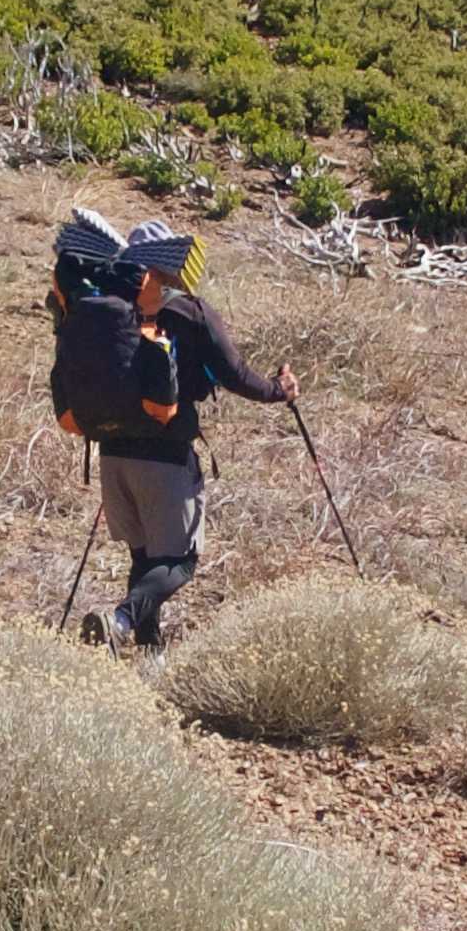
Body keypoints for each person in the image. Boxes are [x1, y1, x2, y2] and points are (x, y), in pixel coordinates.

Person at [84, 220, 292, 649]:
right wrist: (280, 391)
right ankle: (121, 622)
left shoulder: (106, 308)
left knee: (144, 559)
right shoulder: (189, 311)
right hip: (165, 455)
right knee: (180, 562)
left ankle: (150, 652)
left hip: (111, 452)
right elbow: (235, 376)